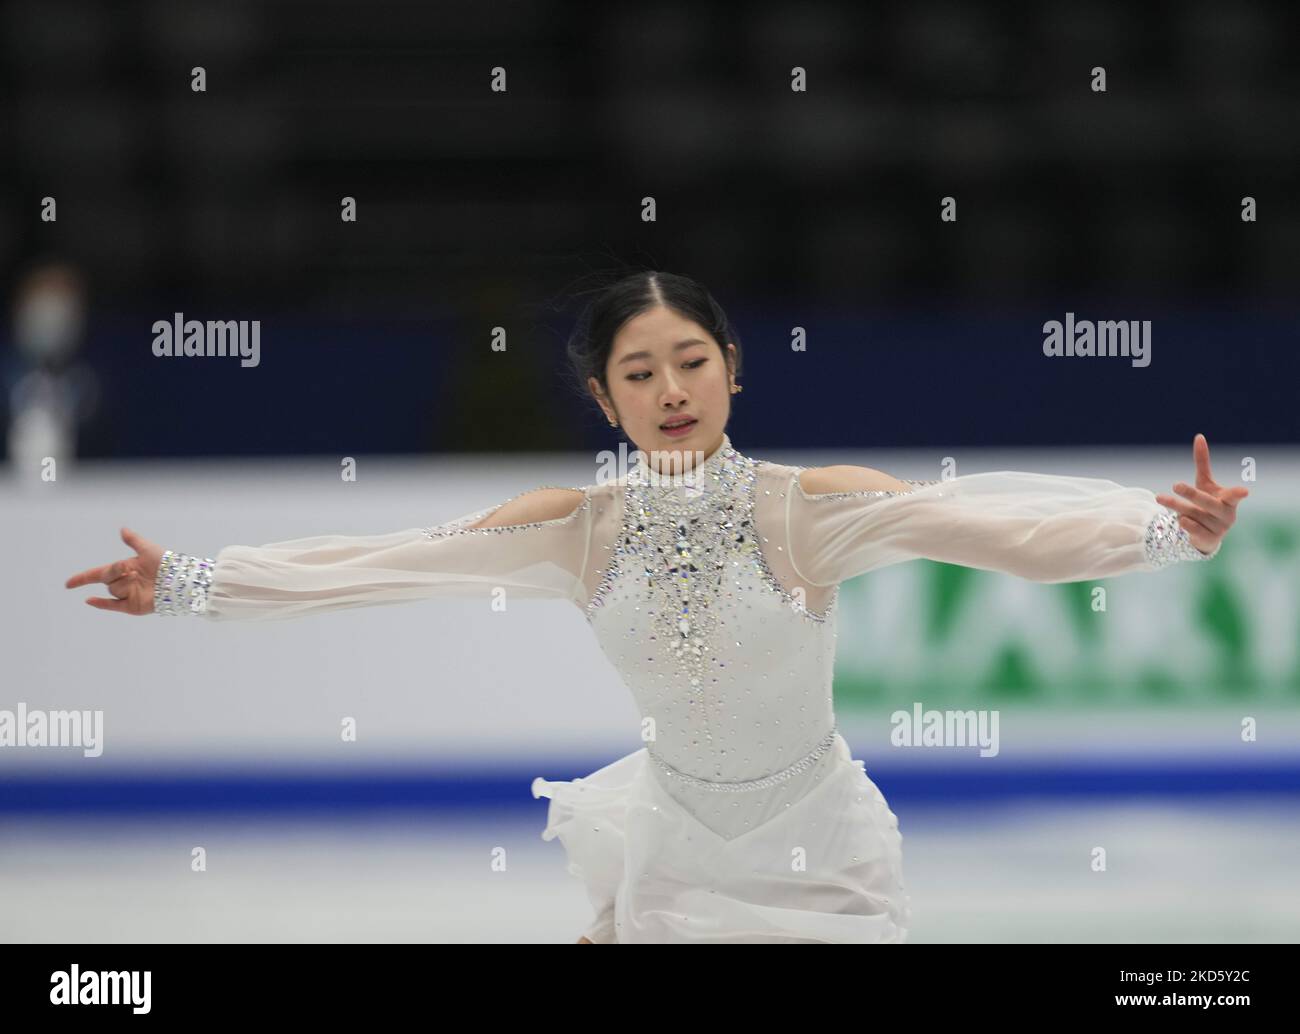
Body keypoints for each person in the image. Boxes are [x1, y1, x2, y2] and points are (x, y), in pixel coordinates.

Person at [64, 271, 1248, 944]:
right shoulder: (576, 529)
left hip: (820, 854)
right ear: (601, 396)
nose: (671, 389)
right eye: (639, 371)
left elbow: (991, 522)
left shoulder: (804, 510)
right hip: (670, 851)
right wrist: (193, 583)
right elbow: (387, 560)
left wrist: (1152, 527)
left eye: (691, 360)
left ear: (733, 367)